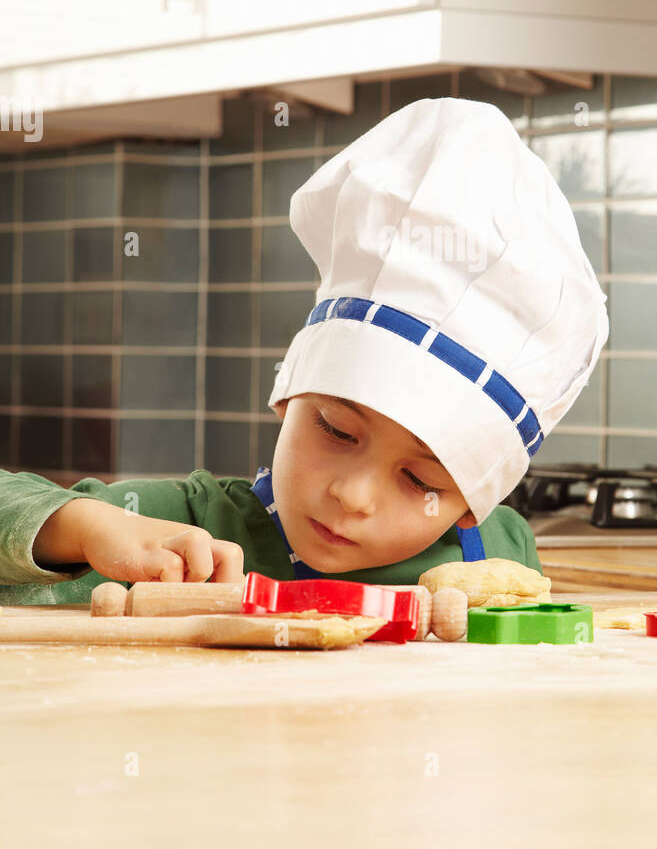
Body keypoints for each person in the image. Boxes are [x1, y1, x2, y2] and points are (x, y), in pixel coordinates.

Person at [0, 97, 608, 606]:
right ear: (287, 397)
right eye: (337, 430)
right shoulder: (180, 530)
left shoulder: (502, 553)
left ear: (473, 506)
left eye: (419, 478)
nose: (353, 496)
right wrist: (79, 528)